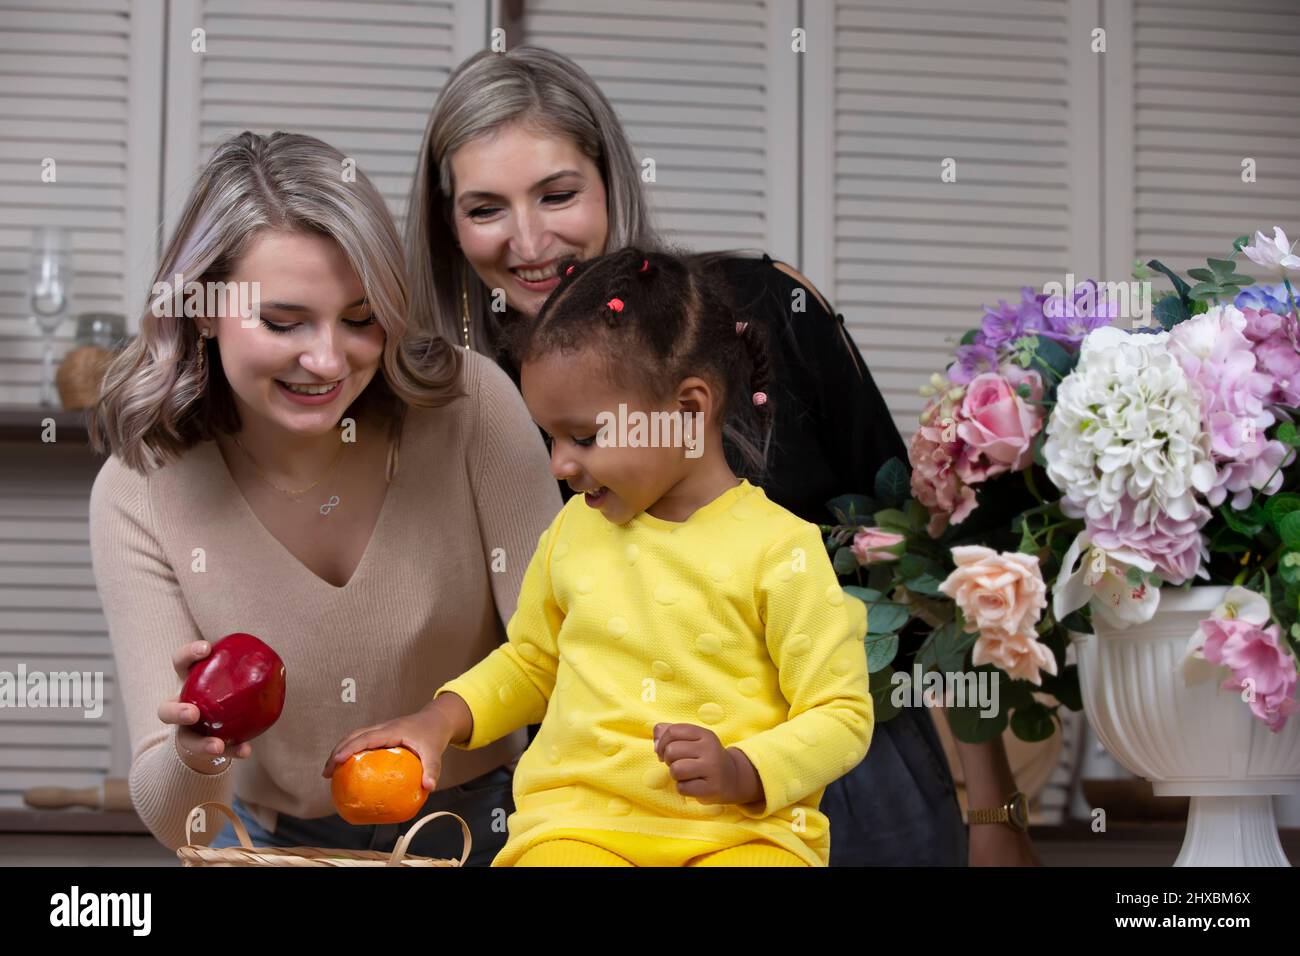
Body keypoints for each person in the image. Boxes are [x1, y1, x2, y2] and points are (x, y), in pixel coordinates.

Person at [401, 46, 1039, 865]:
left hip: (846, 770)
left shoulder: (765, 309)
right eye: (486, 208)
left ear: (609, 181)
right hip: (617, 804)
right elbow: (523, 651)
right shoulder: (459, 399)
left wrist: (994, 812)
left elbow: (916, 566)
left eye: (557, 194)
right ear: (446, 223)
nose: (529, 240)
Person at [88, 131, 559, 865]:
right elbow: (185, 825)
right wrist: (198, 753)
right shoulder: (139, 492)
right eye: (283, 322)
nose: (328, 360)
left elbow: (562, 657)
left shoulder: (470, 407)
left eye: (361, 317)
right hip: (283, 850)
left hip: (496, 827)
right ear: (204, 310)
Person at [325, 247, 873, 866]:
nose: (560, 464)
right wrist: (438, 721)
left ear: (688, 411)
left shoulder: (782, 550)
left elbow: (842, 713)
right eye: (552, 437)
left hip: (743, 835)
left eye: (585, 438)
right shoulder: (572, 533)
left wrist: (743, 770)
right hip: (577, 829)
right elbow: (532, 664)